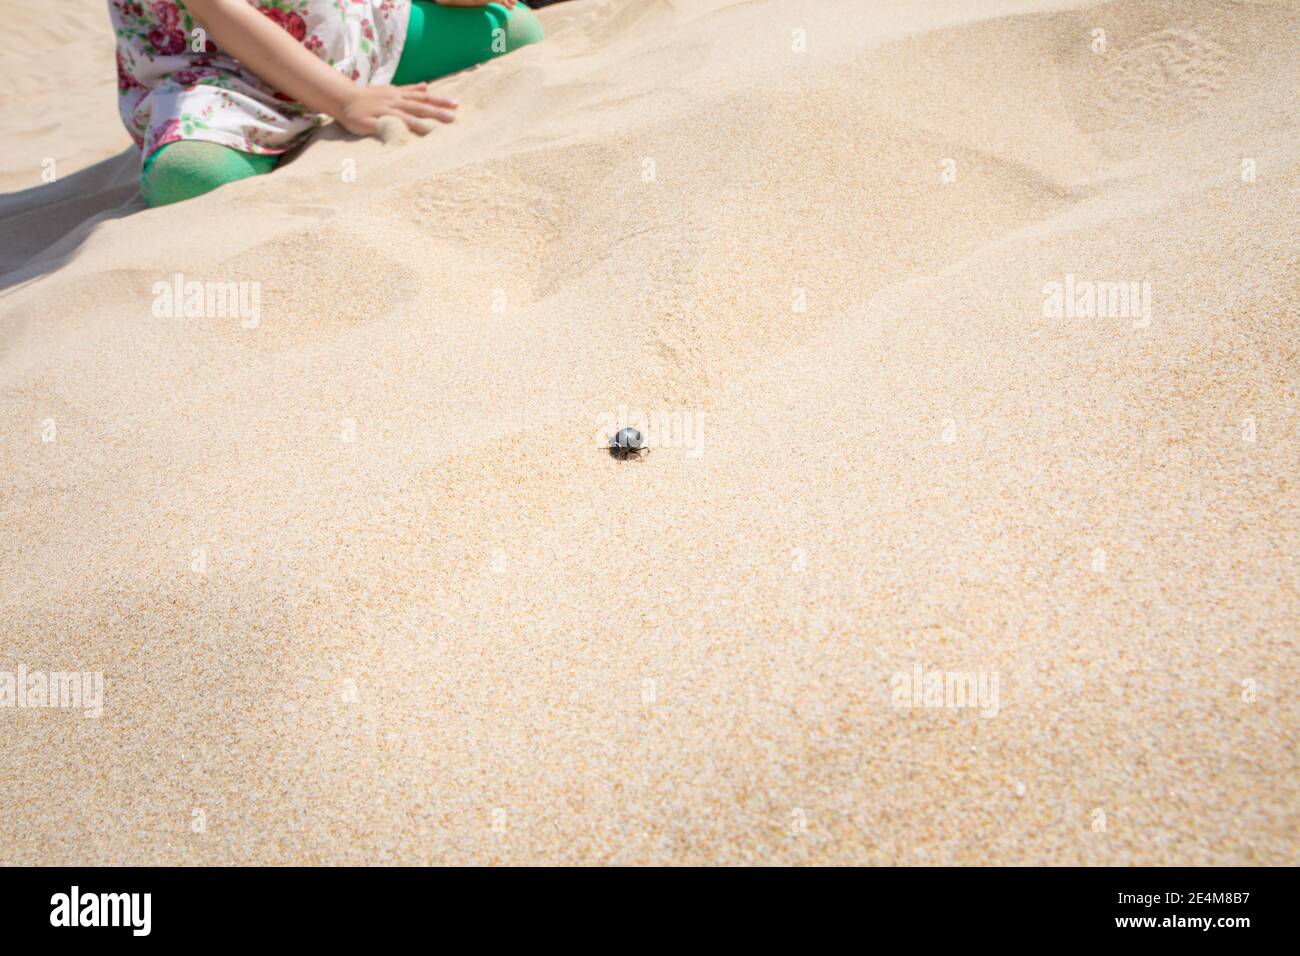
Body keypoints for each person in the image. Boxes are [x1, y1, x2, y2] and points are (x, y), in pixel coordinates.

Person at [109, 0, 545, 206]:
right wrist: (344, 100)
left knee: (513, 29)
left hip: (334, 26)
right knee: (188, 178)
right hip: (217, 73)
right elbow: (220, 14)